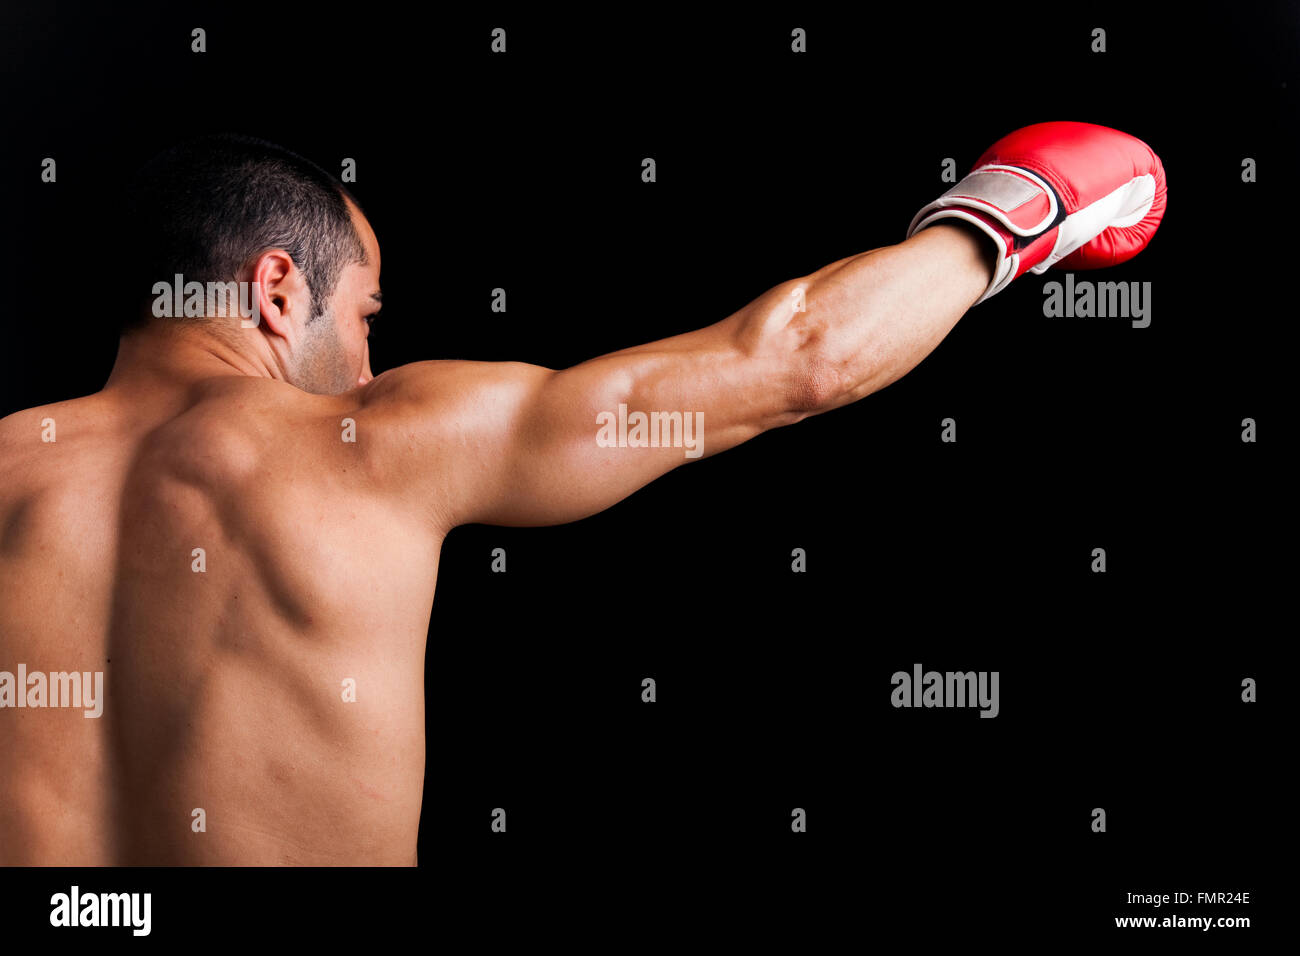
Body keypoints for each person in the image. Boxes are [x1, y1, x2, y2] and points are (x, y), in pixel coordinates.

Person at [0, 123, 1164, 864]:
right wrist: (1011, 219)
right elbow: (799, 358)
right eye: (363, 318)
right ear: (274, 289)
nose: (365, 361)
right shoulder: (377, 437)